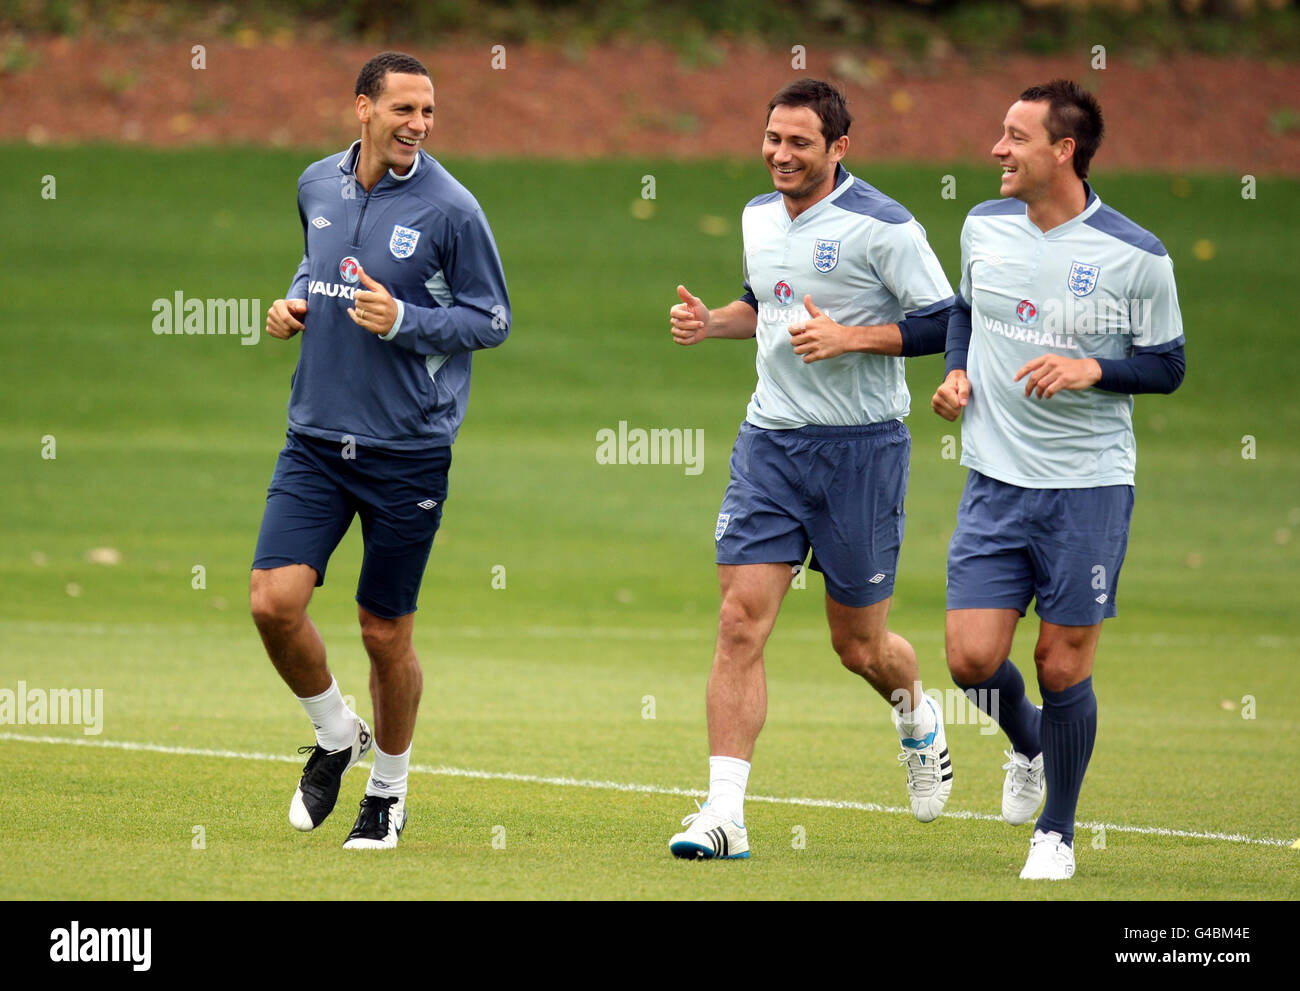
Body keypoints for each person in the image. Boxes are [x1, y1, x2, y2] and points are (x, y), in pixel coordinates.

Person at [667, 78, 958, 860]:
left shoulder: (885, 226)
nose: (781, 155)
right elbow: (765, 304)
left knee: (860, 646)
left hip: (862, 451)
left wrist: (854, 338)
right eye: (773, 139)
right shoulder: (758, 215)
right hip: (770, 444)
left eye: (800, 142)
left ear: (839, 148)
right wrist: (711, 324)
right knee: (738, 622)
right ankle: (725, 814)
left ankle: (916, 718)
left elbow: (943, 318)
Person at [249, 51, 510, 850]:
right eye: (403, 109)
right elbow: (319, 262)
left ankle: (388, 794)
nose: (418, 126)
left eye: (428, 113)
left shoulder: (452, 209)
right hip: (316, 437)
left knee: (382, 631)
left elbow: (491, 319)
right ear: (361, 107)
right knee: (272, 603)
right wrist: (295, 300)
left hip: (407, 450)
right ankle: (335, 733)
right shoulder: (315, 184)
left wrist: (405, 321)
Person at [932, 80, 1185, 880]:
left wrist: (1091, 369)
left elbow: (1168, 365)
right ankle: (1032, 744)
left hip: (1088, 487)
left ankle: (1058, 831)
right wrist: (958, 373)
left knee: (1062, 665)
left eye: (1014, 137)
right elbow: (963, 311)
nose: (996, 150)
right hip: (994, 480)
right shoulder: (983, 224)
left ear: (1062, 150)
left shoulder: (1137, 254)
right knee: (971, 660)